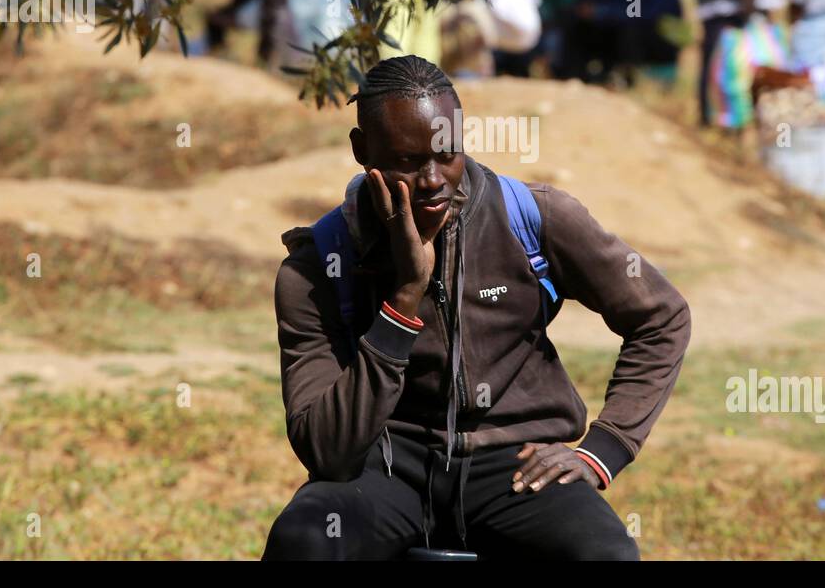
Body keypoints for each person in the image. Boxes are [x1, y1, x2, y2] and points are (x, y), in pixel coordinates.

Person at [262, 55, 691, 560]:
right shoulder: (319, 267)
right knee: (303, 542)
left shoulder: (534, 217)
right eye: (405, 160)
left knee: (605, 555)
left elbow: (661, 316)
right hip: (385, 464)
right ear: (362, 151)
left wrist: (605, 448)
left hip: (516, 463)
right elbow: (328, 452)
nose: (432, 179)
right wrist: (403, 297)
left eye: (448, 153)